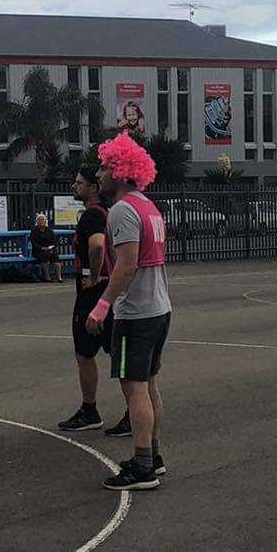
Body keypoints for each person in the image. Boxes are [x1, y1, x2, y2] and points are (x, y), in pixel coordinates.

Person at [87, 134, 168, 490]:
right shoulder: (148, 206)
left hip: (136, 312)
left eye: (105, 166)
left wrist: (102, 305)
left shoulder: (122, 210)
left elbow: (126, 263)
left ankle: (143, 466)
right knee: (148, 384)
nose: (99, 172)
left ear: (120, 170)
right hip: (159, 308)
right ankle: (152, 454)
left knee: (133, 387)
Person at [57, 167, 116, 432]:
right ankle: (130, 410)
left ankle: (90, 409)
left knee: (84, 353)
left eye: (79, 182)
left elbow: (97, 246)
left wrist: (93, 276)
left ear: (93, 187)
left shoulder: (92, 215)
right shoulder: (108, 213)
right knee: (116, 352)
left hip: (94, 293)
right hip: (110, 291)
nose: (73, 185)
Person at [30, 211, 60, 282]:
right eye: (39, 220)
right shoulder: (34, 231)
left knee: (55, 258)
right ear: (37, 221)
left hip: (50, 249)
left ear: (45, 221)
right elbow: (34, 244)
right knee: (45, 257)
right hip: (39, 250)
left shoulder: (49, 230)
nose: (41, 221)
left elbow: (55, 242)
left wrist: (51, 247)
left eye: (42, 219)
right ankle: (47, 277)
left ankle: (59, 277)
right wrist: (42, 248)